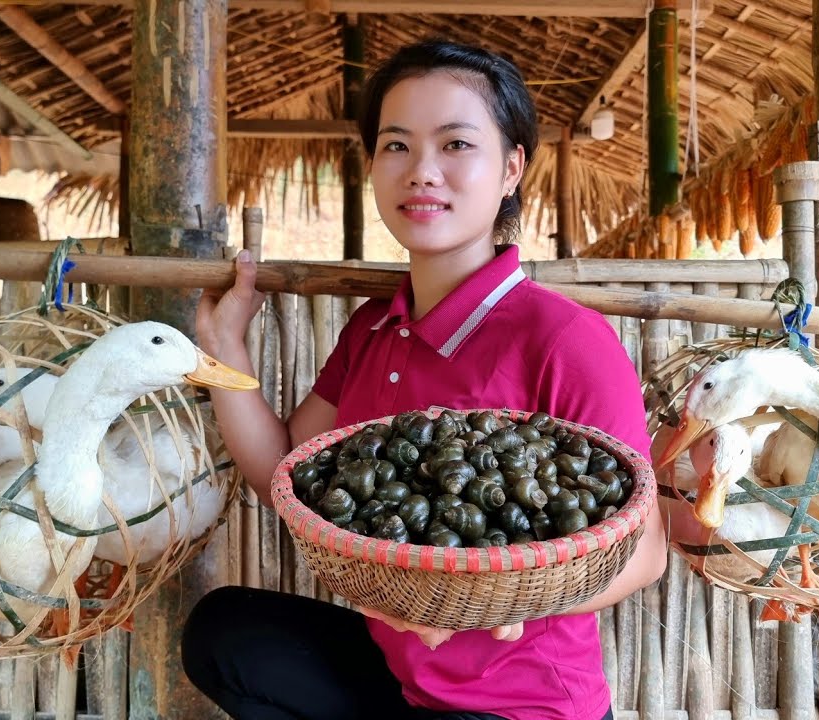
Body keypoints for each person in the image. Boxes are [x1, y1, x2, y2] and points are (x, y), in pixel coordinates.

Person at [181, 38, 667, 720]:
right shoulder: (373, 328)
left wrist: (486, 604)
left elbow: (646, 555)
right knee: (225, 634)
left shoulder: (565, 340)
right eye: (397, 146)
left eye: (456, 144)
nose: (422, 171)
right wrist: (224, 347)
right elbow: (284, 474)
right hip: (401, 680)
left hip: (522, 708)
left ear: (511, 167)